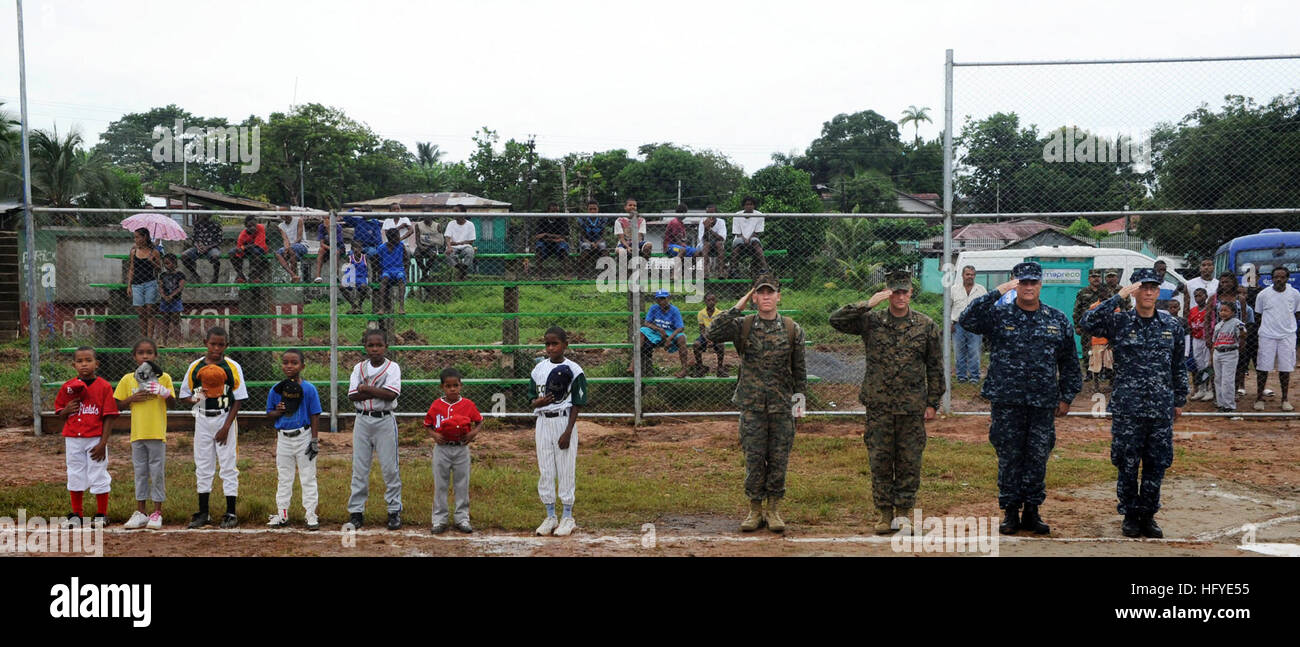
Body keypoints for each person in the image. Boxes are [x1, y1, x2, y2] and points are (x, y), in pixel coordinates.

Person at [959, 261, 1080, 536]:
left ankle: (1033, 512)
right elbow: (967, 319)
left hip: (1042, 402)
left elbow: (1070, 362)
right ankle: (1011, 512)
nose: (1027, 287)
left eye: (1032, 282)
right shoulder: (999, 315)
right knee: (1010, 456)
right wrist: (996, 292)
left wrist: (1067, 396)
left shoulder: (1057, 319)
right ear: (1015, 283)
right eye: (1022, 282)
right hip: (1007, 400)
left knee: (1037, 457)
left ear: (1040, 284)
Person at [829, 270, 943, 534]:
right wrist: (867, 304)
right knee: (880, 460)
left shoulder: (925, 326)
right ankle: (883, 513)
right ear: (888, 293)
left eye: (904, 291)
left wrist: (933, 402)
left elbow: (935, 367)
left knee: (908, 461)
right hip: (879, 406)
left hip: (911, 407)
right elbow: (836, 320)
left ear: (911, 293)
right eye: (895, 291)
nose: (900, 296)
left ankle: (903, 514)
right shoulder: (872, 321)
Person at [1082, 269, 1187, 539]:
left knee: (1157, 463)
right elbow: (1088, 322)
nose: (1149, 292)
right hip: (1128, 408)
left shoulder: (1171, 325)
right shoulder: (1120, 322)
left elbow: (1178, 366)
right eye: (1143, 287)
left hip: (1160, 408)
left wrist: (1179, 399)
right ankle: (1129, 514)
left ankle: (1148, 515)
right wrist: (1118, 296)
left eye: (1153, 287)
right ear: (1135, 291)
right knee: (1127, 463)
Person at [708, 273, 807, 533]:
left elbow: (800, 370)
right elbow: (713, 331)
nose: (766, 297)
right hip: (752, 406)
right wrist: (737, 306)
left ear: (778, 296)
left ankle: (773, 510)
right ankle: (755, 509)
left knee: (778, 459)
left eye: (770, 292)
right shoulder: (744, 324)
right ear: (754, 297)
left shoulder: (791, 328)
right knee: (754, 459)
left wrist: (800, 402)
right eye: (761, 293)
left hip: (781, 406)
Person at [178, 327, 248, 529]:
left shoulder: (232, 367)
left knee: (228, 465)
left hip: (224, 418)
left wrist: (226, 427)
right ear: (205, 342)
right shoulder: (195, 366)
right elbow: (184, 395)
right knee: (203, 465)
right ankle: (203, 512)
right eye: (213, 344)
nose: (217, 348)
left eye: (221, 344)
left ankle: (231, 512)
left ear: (227, 345)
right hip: (202, 419)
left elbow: (239, 399)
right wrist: (198, 397)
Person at [530, 326, 588, 537]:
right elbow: (531, 399)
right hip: (543, 422)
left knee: (565, 468)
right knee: (545, 468)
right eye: (547, 344)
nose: (551, 347)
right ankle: (550, 515)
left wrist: (568, 431)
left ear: (565, 345)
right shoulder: (538, 369)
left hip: (563, 421)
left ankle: (568, 516)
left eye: (555, 343)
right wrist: (539, 401)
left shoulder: (575, 369)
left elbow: (578, 402)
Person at [55, 347, 120, 527]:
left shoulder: (104, 386)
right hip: (73, 438)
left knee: (98, 473)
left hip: (95, 438)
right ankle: (77, 514)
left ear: (96, 364)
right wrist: (66, 410)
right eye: (80, 361)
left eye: (88, 360)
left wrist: (103, 442)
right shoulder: (67, 387)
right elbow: (60, 412)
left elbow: (109, 416)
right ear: (74, 364)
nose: (84, 364)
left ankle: (102, 514)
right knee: (74, 473)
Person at [114, 339, 174, 530]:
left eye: (149, 352)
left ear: (155, 356)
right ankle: (141, 512)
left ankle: (157, 513)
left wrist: (163, 391)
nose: (145, 356)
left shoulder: (164, 378)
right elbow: (116, 405)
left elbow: (173, 403)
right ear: (135, 357)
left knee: (157, 473)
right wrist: (132, 398)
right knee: (140, 473)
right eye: (141, 352)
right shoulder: (128, 379)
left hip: (156, 433)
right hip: (137, 434)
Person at [347, 329, 404, 530]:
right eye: (371, 345)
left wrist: (365, 389)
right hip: (362, 420)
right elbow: (352, 395)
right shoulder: (359, 368)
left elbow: (391, 395)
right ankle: (356, 512)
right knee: (360, 468)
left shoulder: (392, 367)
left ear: (385, 347)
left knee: (390, 468)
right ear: (365, 348)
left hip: (384, 420)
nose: (375, 349)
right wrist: (376, 392)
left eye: (379, 345)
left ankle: (394, 511)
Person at [265, 349, 323, 530]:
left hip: (303, 435)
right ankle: (282, 514)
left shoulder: (309, 389)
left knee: (308, 476)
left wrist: (314, 440)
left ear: (302, 366)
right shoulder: (276, 389)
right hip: (283, 438)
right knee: (284, 477)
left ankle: (311, 514)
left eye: (294, 362)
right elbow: (270, 414)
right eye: (285, 362)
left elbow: (315, 414)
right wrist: (278, 410)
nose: (289, 366)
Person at [424, 367, 483, 534]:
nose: (452, 389)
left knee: (462, 484)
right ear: (442, 387)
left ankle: (462, 518)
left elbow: (479, 421)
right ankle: (439, 519)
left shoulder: (468, 404)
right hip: (442, 449)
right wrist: (435, 435)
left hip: (461, 448)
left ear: (461, 386)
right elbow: (427, 424)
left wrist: (472, 433)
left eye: (455, 385)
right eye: (448, 386)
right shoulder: (437, 405)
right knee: (440, 484)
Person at [1253, 267, 1300, 411]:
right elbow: (1258, 315)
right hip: (1267, 336)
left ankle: (1285, 399)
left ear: (1287, 278)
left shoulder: (1295, 294)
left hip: (1287, 336)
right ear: (1271, 278)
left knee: (1285, 369)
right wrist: (1270, 327)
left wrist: (1286, 326)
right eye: (1276, 277)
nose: (1279, 280)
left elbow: (1297, 314)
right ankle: (1259, 398)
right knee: (1263, 367)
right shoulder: (1263, 295)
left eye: (1282, 277)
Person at [635, 290, 691, 378]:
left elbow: (680, 328)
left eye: (663, 298)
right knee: (642, 331)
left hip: (671, 332)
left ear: (668, 298)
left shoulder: (674, 310)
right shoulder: (654, 308)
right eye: (659, 299)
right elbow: (647, 323)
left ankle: (684, 369)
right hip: (657, 332)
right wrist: (659, 329)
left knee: (682, 338)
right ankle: (635, 361)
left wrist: (669, 338)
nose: (661, 301)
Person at [950, 265, 988, 383]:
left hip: (975, 325)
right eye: (967, 274)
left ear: (975, 276)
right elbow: (948, 307)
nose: (970, 277)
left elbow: (986, 307)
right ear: (962, 275)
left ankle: (974, 377)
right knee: (959, 351)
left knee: (974, 351)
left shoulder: (981, 290)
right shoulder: (953, 289)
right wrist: (949, 323)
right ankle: (961, 376)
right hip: (958, 325)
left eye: (972, 274)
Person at [125, 227, 162, 339]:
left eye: (137, 237)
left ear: (144, 237)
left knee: (150, 311)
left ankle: (150, 337)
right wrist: (129, 285)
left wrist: (152, 262)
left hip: (150, 283)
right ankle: (143, 336)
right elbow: (131, 269)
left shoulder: (154, 252)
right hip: (137, 284)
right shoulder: (134, 251)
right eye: (135, 237)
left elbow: (159, 269)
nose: (135, 239)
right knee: (141, 312)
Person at [1210, 302, 1245, 412]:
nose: (1223, 313)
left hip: (1230, 353)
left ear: (1233, 312)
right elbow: (1214, 342)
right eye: (1221, 310)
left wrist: (1241, 330)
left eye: (1226, 311)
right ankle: (1221, 404)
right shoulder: (1218, 325)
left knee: (1227, 380)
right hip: (1218, 352)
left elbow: (1243, 335)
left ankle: (1229, 406)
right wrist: (1212, 356)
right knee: (1218, 379)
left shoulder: (1237, 323)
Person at [375, 228, 409, 315]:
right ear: (391, 238)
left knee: (401, 278)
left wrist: (406, 273)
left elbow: (406, 260)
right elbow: (376, 261)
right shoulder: (381, 248)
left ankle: (401, 307)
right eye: (397, 237)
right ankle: (381, 307)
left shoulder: (401, 246)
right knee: (384, 279)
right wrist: (379, 273)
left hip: (399, 270)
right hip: (387, 270)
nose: (399, 238)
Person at [182, 212, 224, 283]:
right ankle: (195, 275)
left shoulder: (216, 225)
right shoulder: (197, 225)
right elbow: (194, 239)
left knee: (215, 256)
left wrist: (207, 247)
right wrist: (197, 246)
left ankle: (215, 277)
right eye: (200, 213)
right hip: (198, 248)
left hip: (211, 248)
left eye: (203, 213)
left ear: (209, 214)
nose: (200, 214)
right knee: (184, 256)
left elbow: (219, 240)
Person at [343, 211, 384, 281]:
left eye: (367, 212)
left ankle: (374, 275)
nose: (365, 214)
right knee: (350, 254)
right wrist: (354, 209)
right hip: (357, 246)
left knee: (374, 253)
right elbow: (346, 217)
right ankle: (350, 277)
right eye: (364, 212)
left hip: (369, 247)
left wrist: (373, 244)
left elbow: (378, 239)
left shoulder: (375, 223)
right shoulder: (358, 220)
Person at [532, 203, 571, 277]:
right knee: (539, 247)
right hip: (545, 244)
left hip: (557, 244)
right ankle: (538, 274)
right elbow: (537, 236)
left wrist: (546, 234)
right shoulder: (542, 219)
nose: (555, 213)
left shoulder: (562, 219)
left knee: (564, 247)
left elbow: (565, 236)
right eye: (553, 211)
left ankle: (567, 275)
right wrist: (555, 238)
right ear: (548, 212)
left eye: (557, 211)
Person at [693, 293, 726, 378]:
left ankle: (720, 368)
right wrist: (707, 340)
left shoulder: (719, 313)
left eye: (713, 300)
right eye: (708, 300)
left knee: (721, 345)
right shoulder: (701, 313)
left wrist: (713, 339)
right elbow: (702, 329)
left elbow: (720, 329)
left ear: (716, 301)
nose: (711, 302)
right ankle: (700, 367)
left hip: (716, 335)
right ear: (705, 301)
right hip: (705, 336)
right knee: (696, 344)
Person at [731, 196, 767, 274]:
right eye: (747, 204)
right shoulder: (737, 215)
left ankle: (764, 267)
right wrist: (744, 239)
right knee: (737, 244)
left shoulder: (759, 215)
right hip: (740, 238)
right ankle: (734, 269)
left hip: (753, 238)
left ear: (754, 205)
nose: (749, 206)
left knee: (756, 243)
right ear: (744, 205)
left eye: (751, 204)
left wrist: (748, 239)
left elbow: (757, 232)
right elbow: (737, 233)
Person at [229, 215, 268, 284]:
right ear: (246, 226)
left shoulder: (260, 228)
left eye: (254, 225)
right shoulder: (242, 235)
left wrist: (243, 247)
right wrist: (240, 251)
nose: (253, 228)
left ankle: (256, 276)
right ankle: (240, 275)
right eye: (250, 226)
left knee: (256, 251)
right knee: (231, 252)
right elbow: (239, 248)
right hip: (247, 250)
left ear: (256, 223)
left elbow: (257, 244)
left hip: (259, 248)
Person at [157, 254, 186, 345]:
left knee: (175, 321)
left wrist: (171, 296)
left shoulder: (180, 275)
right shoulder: (162, 275)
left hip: (176, 300)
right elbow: (160, 287)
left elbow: (180, 288)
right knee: (165, 321)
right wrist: (164, 296)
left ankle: (179, 342)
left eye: (168, 263)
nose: (166, 266)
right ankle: (164, 342)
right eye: (165, 264)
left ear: (174, 263)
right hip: (164, 301)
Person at [1187, 288, 1211, 401]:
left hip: (1206, 339)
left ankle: (1210, 389)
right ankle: (1202, 389)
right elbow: (1190, 325)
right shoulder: (1193, 310)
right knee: (1199, 364)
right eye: (1196, 296)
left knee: (1207, 364)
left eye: (1200, 296)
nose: (1198, 298)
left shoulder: (1209, 309)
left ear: (1206, 296)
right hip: (1196, 339)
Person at [1236, 285, 1259, 396]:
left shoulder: (1248, 309)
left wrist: (1243, 335)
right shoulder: (1230, 306)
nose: (1242, 296)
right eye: (1239, 293)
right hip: (1230, 338)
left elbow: (1250, 324)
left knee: (1242, 363)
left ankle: (1242, 385)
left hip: (1245, 339)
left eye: (1244, 293)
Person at [576, 199, 609, 273]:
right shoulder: (582, 219)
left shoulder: (602, 218)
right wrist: (591, 243)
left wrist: (597, 243)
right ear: (587, 210)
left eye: (595, 209)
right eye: (590, 209)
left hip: (599, 240)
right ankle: (581, 272)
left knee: (604, 250)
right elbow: (582, 235)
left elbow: (604, 234)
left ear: (598, 209)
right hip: (586, 240)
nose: (593, 211)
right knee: (586, 248)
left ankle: (606, 273)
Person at [444, 206, 477, 281]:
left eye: (456, 211)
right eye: (453, 211)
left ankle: (463, 269)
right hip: (454, 247)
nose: (454, 213)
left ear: (463, 213)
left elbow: (471, 241)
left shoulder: (470, 224)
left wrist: (458, 243)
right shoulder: (451, 223)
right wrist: (449, 246)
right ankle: (462, 269)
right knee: (448, 253)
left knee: (470, 251)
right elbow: (447, 237)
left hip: (465, 246)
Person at [274, 212, 308, 282]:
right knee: (277, 253)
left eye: (284, 213)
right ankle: (293, 275)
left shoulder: (298, 220)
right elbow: (285, 239)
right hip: (289, 246)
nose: (283, 216)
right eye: (281, 214)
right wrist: (286, 248)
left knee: (291, 250)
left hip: (301, 245)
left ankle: (295, 276)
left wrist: (289, 247)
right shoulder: (280, 225)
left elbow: (299, 238)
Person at [341, 238, 371, 315]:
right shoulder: (349, 257)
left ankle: (360, 305)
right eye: (354, 247)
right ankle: (353, 305)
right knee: (341, 286)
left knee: (364, 286)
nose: (356, 249)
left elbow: (368, 269)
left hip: (362, 278)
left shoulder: (365, 257)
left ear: (361, 248)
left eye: (358, 247)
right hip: (351, 277)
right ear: (352, 249)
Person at [412, 214, 444, 283]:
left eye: (428, 216)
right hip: (421, 245)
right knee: (416, 255)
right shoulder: (418, 225)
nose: (427, 218)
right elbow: (417, 240)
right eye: (425, 216)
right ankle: (425, 272)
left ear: (432, 216)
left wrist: (439, 233)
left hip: (432, 246)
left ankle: (424, 272)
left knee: (433, 255)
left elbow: (440, 240)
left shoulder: (437, 225)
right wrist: (421, 247)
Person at [697, 205, 727, 277]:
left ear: (716, 213)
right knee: (706, 245)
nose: (710, 215)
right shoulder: (703, 221)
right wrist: (706, 229)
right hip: (705, 245)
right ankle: (705, 272)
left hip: (717, 245)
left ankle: (720, 272)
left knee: (719, 244)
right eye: (708, 213)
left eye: (712, 213)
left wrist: (710, 229)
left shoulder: (721, 222)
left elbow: (722, 238)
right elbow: (703, 239)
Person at [312, 217, 344, 283]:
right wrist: (330, 248)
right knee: (321, 250)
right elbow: (322, 243)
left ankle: (336, 276)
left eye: (328, 218)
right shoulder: (321, 227)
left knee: (336, 252)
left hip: (338, 246)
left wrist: (328, 229)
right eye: (324, 218)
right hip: (327, 247)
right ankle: (318, 276)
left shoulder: (338, 227)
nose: (326, 220)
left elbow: (335, 242)